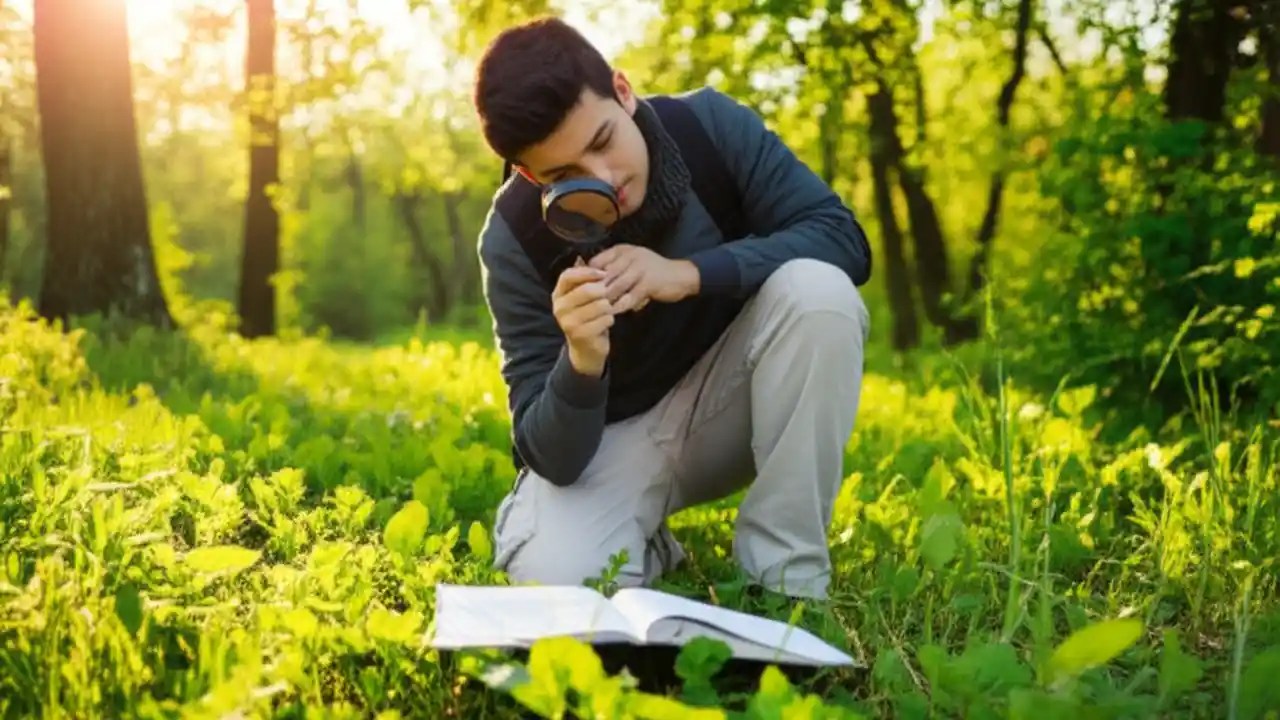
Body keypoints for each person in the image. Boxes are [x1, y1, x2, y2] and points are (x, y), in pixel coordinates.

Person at [471, 16, 872, 606]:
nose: (603, 180)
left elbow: (842, 241)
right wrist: (580, 363)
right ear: (531, 174)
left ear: (624, 91)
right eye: (563, 175)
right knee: (555, 581)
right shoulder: (513, 237)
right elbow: (548, 454)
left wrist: (687, 275)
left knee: (819, 292)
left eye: (602, 141)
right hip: (619, 438)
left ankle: (786, 578)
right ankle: (646, 541)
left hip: (737, 398)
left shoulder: (708, 126)